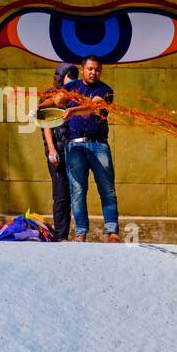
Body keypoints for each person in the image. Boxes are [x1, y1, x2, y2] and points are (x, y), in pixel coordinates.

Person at [64, 56, 121, 243]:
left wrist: (72, 110)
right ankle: (80, 233)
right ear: (82, 69)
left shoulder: (106, 91)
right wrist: (39, 107)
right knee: (78, 191)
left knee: (107, 189)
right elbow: (56, 100)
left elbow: (91, 106)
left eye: (97, 70)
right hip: (74, 145)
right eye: (90, 69)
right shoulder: (71, 88)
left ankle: (112, 232)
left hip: (99, 145)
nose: (93, 73)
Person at [38, 62, 79, 241]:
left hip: (75, 150)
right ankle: (61, 235)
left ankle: (79, 233)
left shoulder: (78, 95)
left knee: (76, 193)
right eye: (69, 78)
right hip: (57, 151)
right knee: (61, 193)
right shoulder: (50, 95)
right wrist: (52, 149)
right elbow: (46, 123)